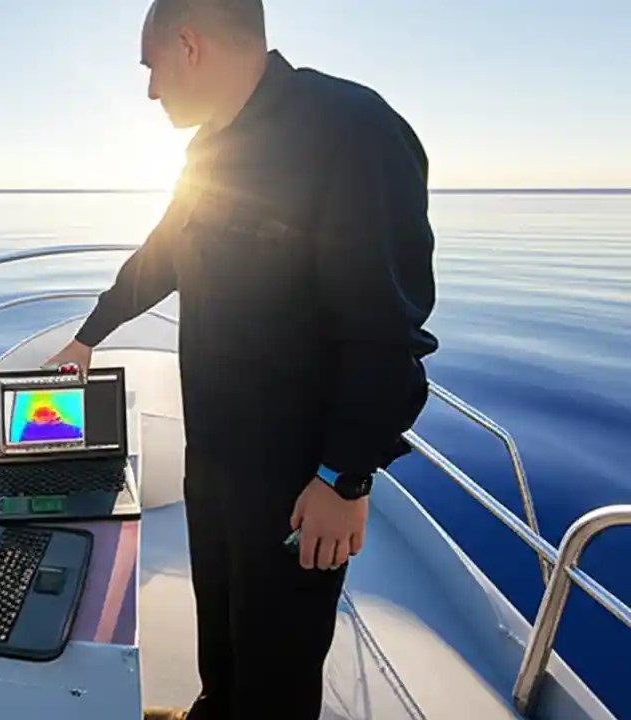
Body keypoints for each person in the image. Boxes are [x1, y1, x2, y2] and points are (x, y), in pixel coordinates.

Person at [45, 1, 438, 718]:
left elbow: (387, 332)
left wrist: (345, 477)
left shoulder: (352, 131)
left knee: (277, 667)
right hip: (215, 455)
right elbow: (162, 255)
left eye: (152, 68)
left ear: (189, 45)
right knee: (222, 634)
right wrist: (89, 336)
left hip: (296, 478)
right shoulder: (210, 149)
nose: (150, 90)